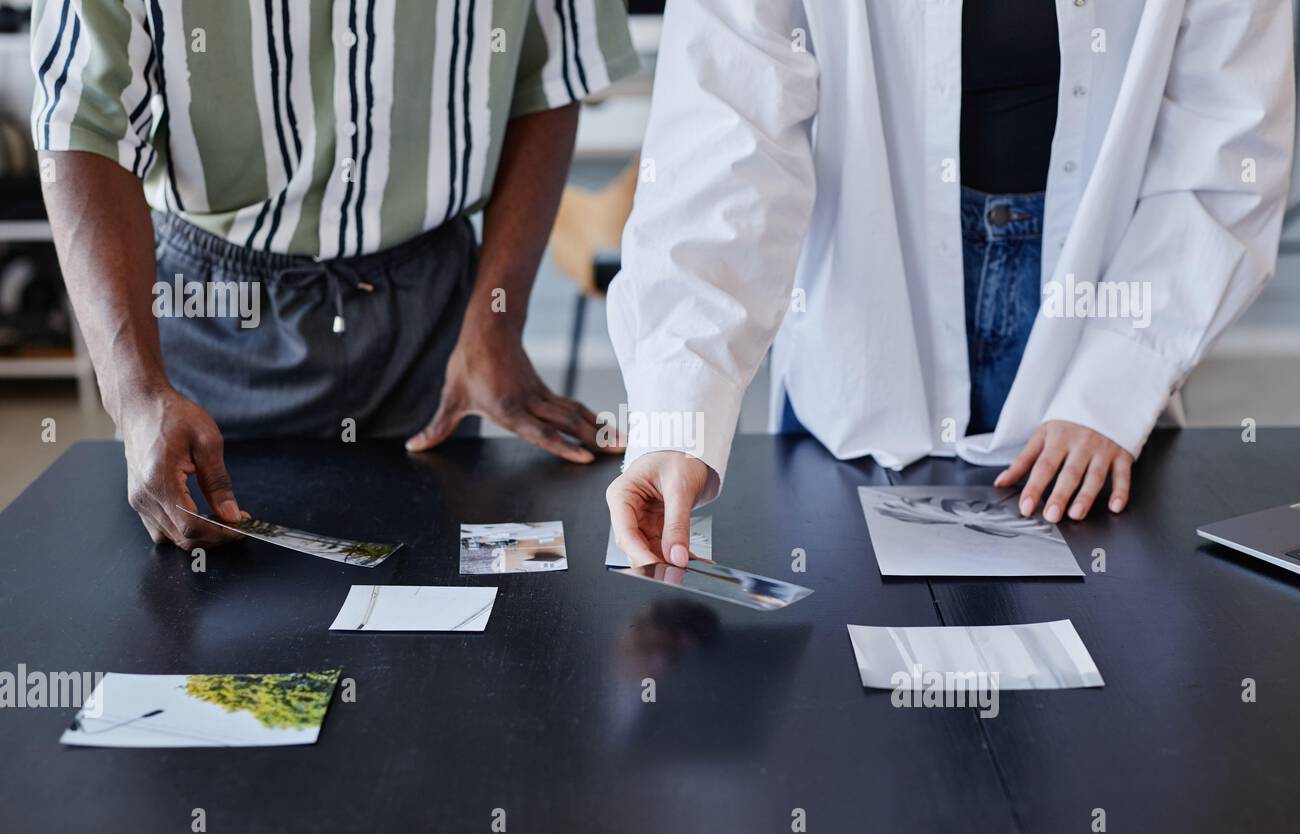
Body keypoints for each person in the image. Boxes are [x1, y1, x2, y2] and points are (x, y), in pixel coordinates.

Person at [606, 0, 1294, 568]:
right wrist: (676, 414)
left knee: (1106, 672)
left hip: (1096, 313)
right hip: (863, 338)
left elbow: (1229, 146)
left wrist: (1118, 378)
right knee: (852, 677)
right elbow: (727, 139)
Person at [32, 0, 638, 549]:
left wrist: (496, 329)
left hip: (437, 329)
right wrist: (137, 392)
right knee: (209, 637)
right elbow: (82, 119)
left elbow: (553, 73)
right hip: (211, 320)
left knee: (447, 623)